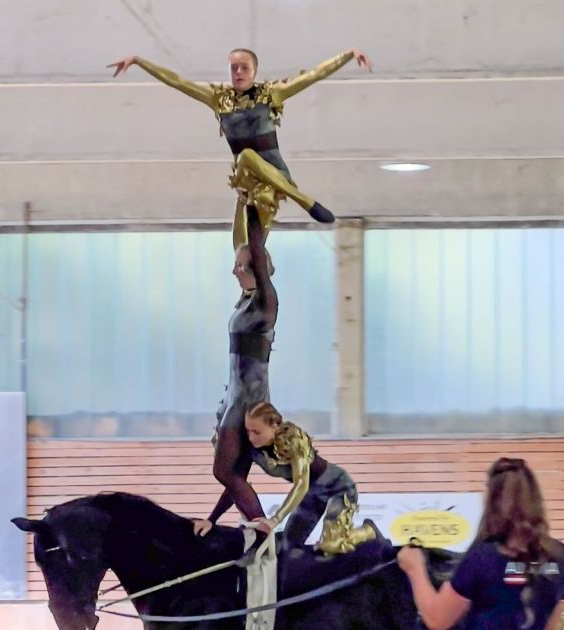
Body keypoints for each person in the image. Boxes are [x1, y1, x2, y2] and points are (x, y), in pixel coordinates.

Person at [107, 46, 371, 248]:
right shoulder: (218, 99)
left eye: (244, 68)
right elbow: (178, 82)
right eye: (234, 68)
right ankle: (249, 291)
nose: (238, 73)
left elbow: (313, 76)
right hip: (246, 182)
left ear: (254, 71)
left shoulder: (271, 94)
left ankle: (304, 201)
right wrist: (139, 61)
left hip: (275, 179)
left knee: (246, 155)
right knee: (240, 246)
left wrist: (348, 55)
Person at [397, 457, 564, 630]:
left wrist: (415, 568)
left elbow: (437, 619)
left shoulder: (482, 558)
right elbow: (552, 625)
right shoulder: (559, 557)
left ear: (492, 501)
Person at [190, 204, 278, 536]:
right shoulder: (246, 298)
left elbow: (252, 245)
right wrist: (242, 202)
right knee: (234, 472)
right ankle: (247, 522)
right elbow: (241, 242)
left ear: (256, 267)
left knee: (224, 469)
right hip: (236, 396)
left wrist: (256, 211)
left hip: (248, 400)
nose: (234, 271)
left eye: (240, 266)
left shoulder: (265, 303)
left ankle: (262, 525)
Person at [193, 401, 377, 555]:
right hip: (312, 494)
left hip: (338, 487)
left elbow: (301, 484)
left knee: (331, 545)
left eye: (257, 432)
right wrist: (212, 519)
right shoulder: (253, 450)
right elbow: (235, 486)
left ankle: (369, 531)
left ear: (275, 426)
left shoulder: (293, 439)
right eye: (248, 431)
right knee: (288, 547)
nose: (250, 437)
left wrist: (275, 519)